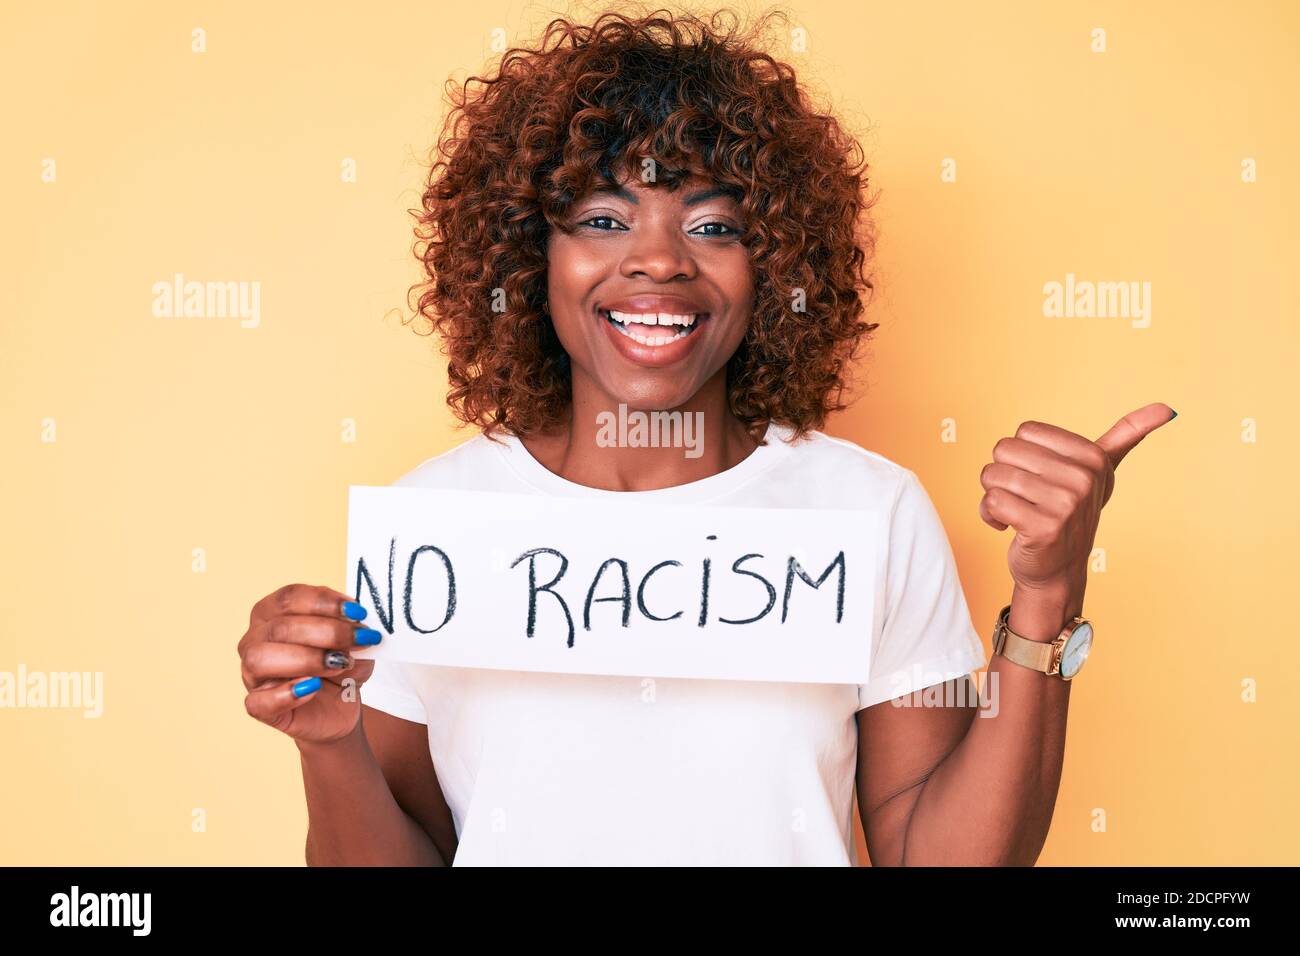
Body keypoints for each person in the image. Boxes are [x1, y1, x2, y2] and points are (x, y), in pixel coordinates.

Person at [237, 8, 1174, 866]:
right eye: (603, 219)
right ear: (531, 259)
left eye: (713, 225)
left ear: (772, 264)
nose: (658, 259)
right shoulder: (434, 526)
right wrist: (332, 744)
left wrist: (1049, 594)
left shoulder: (867, 511)